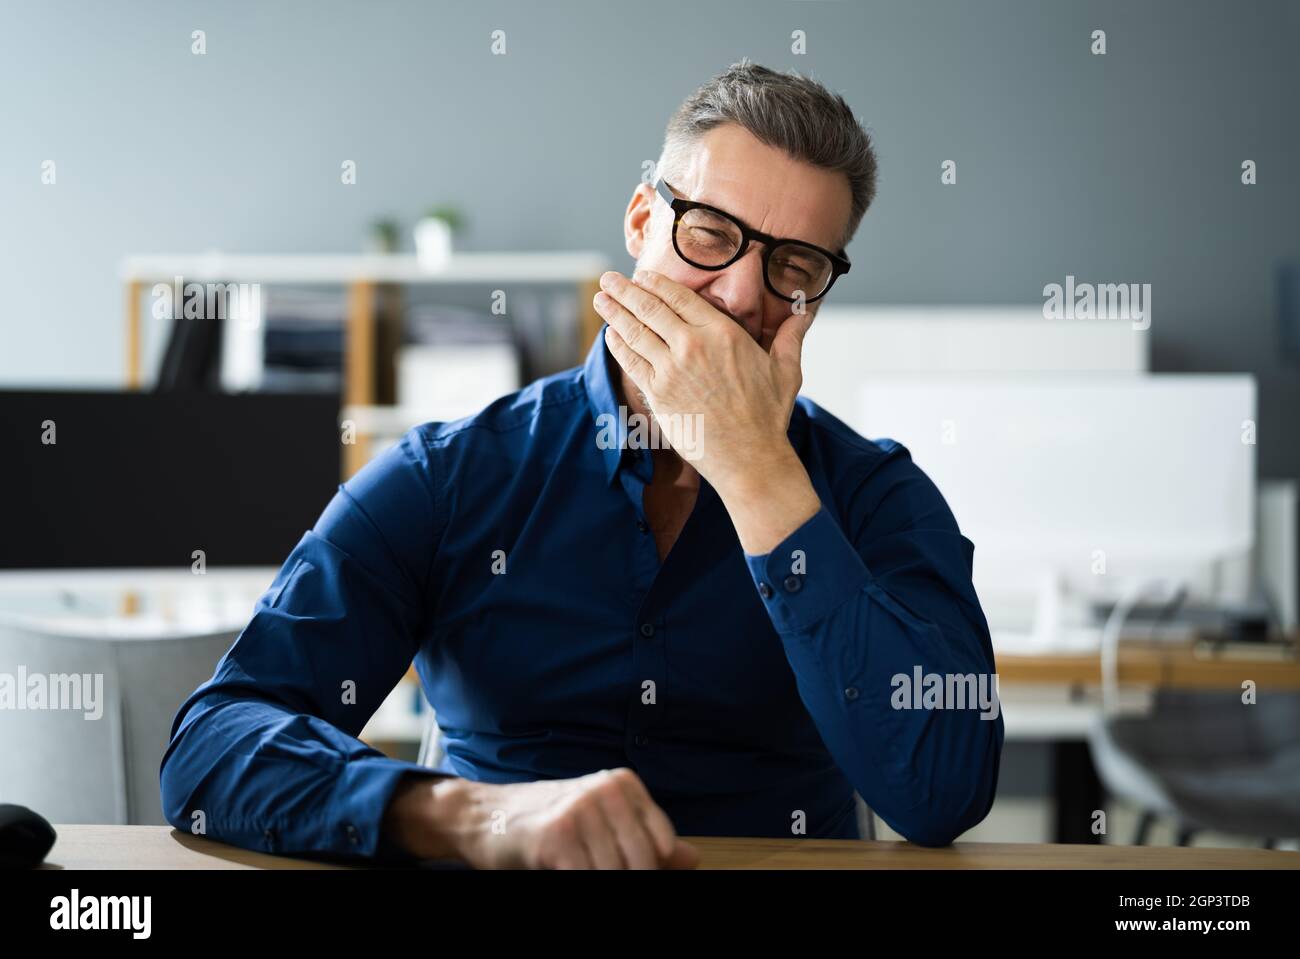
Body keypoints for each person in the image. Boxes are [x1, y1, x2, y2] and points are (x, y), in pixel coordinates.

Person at [161, 61, 1003, 870]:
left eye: (793, 266)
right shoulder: (448, 476)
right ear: (642, 221)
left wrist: (756, 471)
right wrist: (471, 814)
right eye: (711, 233)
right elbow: (211, 746)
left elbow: (942, 791)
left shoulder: (875, 494)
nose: (744, 294)